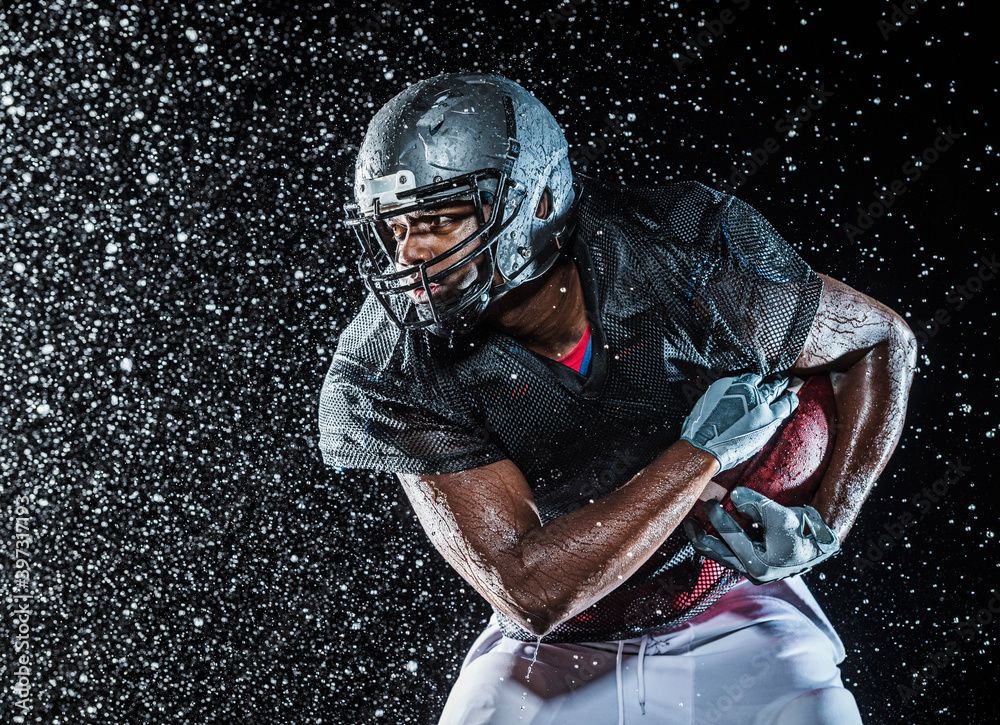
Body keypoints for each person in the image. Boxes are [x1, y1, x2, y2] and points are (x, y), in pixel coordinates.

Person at [319, 72, 916, 724]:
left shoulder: (677, 257)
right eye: (396, 226)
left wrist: (828, 522)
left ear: (538, 196)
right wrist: (700, 454)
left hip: (724, 612)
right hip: (548, 655)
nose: (409, 255)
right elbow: (529, 591)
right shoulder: (394, 361)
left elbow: (884, 342)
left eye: (437, 220)